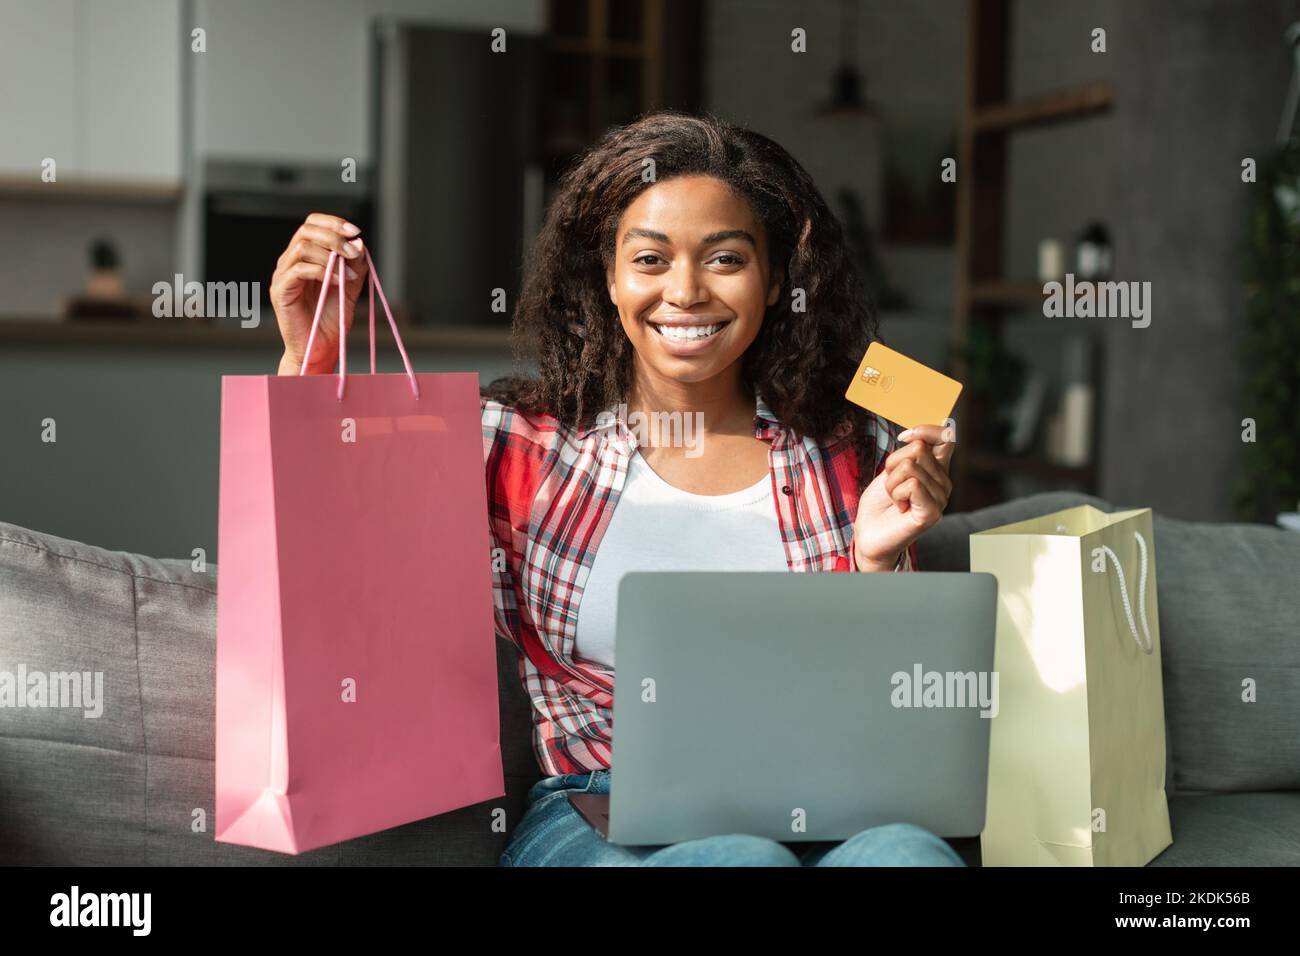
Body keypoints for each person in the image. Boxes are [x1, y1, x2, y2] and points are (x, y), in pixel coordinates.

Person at [270, 110, 960, 867]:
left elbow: (884, 701)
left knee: (908, 852)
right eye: (651, 259)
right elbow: (337, 558)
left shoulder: (848, 448)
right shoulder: (515, 443)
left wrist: (877, 564)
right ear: (608, 276)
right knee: (740, 862)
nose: (687, 292)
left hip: (815, 797)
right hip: (599, 803)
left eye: (726, 259)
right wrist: (314, 357)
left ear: (774, 282)